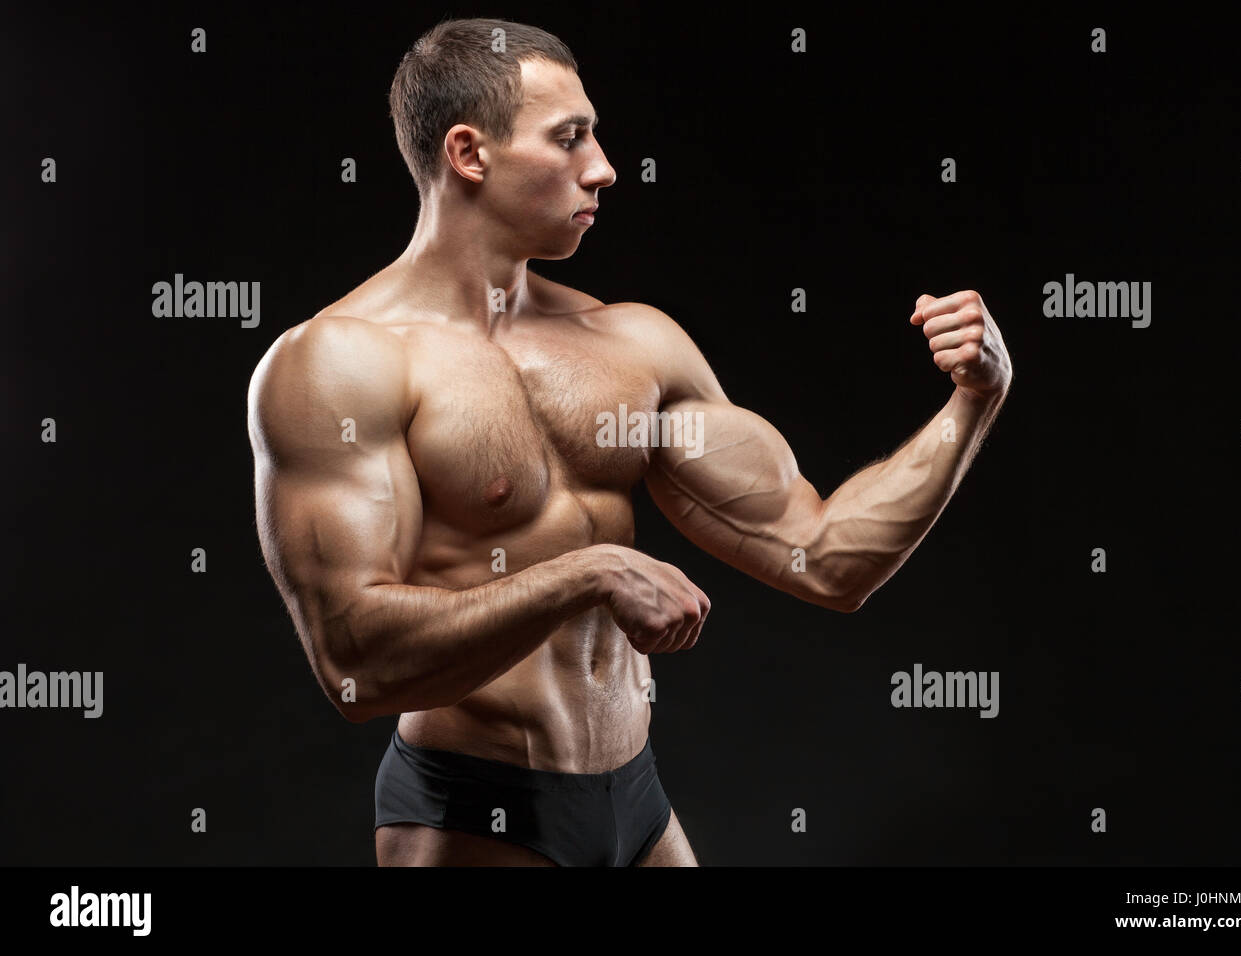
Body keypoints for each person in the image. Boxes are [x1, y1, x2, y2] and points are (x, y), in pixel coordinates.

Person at [246, 17, 1012, 866]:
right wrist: (589, 571)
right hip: (475, 812)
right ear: (470, 153)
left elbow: (828, 558)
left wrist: (973, 402)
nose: (604, 166)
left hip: (635, 796)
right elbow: (355, 661)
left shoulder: (634, 344)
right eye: (569, 138)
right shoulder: (339, 363)